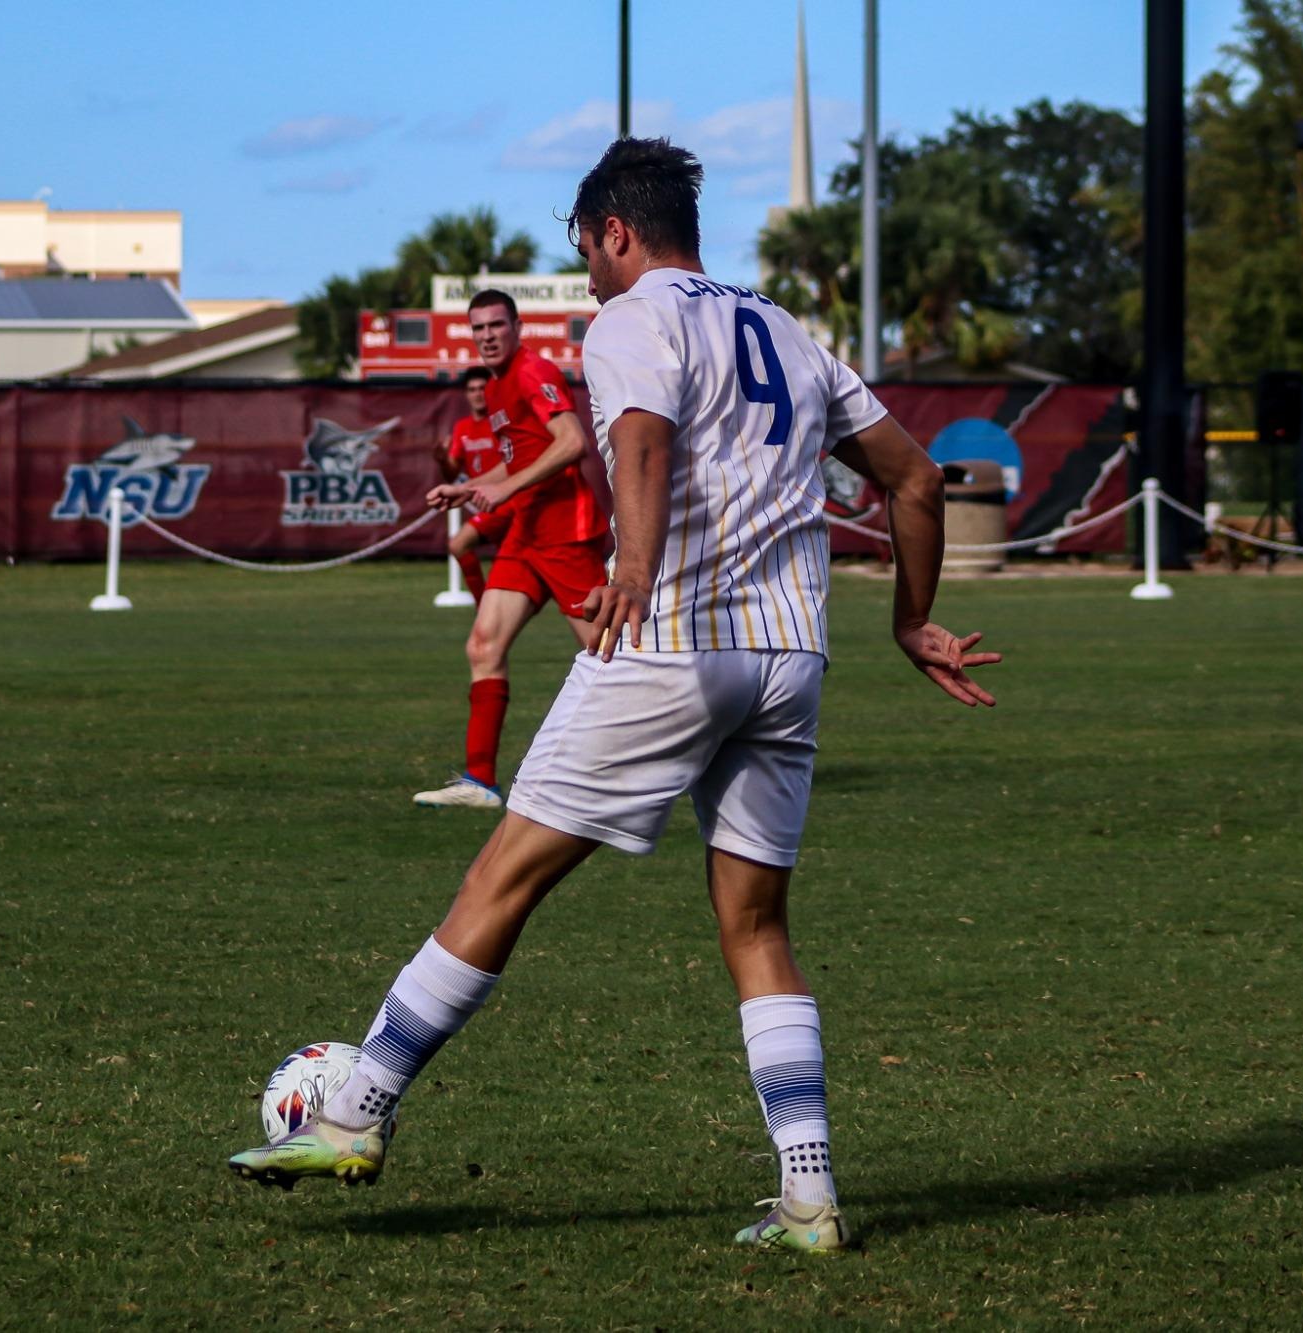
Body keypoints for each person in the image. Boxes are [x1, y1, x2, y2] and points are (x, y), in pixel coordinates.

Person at [229, 137, 1002, 1253]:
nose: (587, 272)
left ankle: (355, 1111)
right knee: (755, 926)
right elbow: (915, 478)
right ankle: (809, 1197)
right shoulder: (785, 329)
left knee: (503, 875)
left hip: (673, 640)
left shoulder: (634, 317)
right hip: (790, 657)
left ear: (616, 232)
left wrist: (633, 566)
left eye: (584, 247)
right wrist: (910, 619)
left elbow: (640, 437)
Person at [410, 289, 610, 810]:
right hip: (527, 532)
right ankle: (480, 782)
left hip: (565, 531)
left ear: (517, 328)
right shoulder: (497, 385)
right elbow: (521, 457)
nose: (488, 336)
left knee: (610, 656)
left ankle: (683, 748)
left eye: (496, 325)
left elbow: (572, 442)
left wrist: (505, 489)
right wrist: (470, 487)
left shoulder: (530, 371)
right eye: (478, 328)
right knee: (483, 645)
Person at [428, 366, 508, 603]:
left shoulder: (501, 424)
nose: (477, 394)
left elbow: (512, 465)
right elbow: (451, 475)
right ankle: (487, 609)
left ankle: (483, 608)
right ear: (466, 394)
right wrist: (442, 460)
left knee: (459, 543)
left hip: (507, 502)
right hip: (486, 505)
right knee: (513, 569)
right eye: (472, 389)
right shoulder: (462, 427)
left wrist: (468, 488)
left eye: (482, 388)